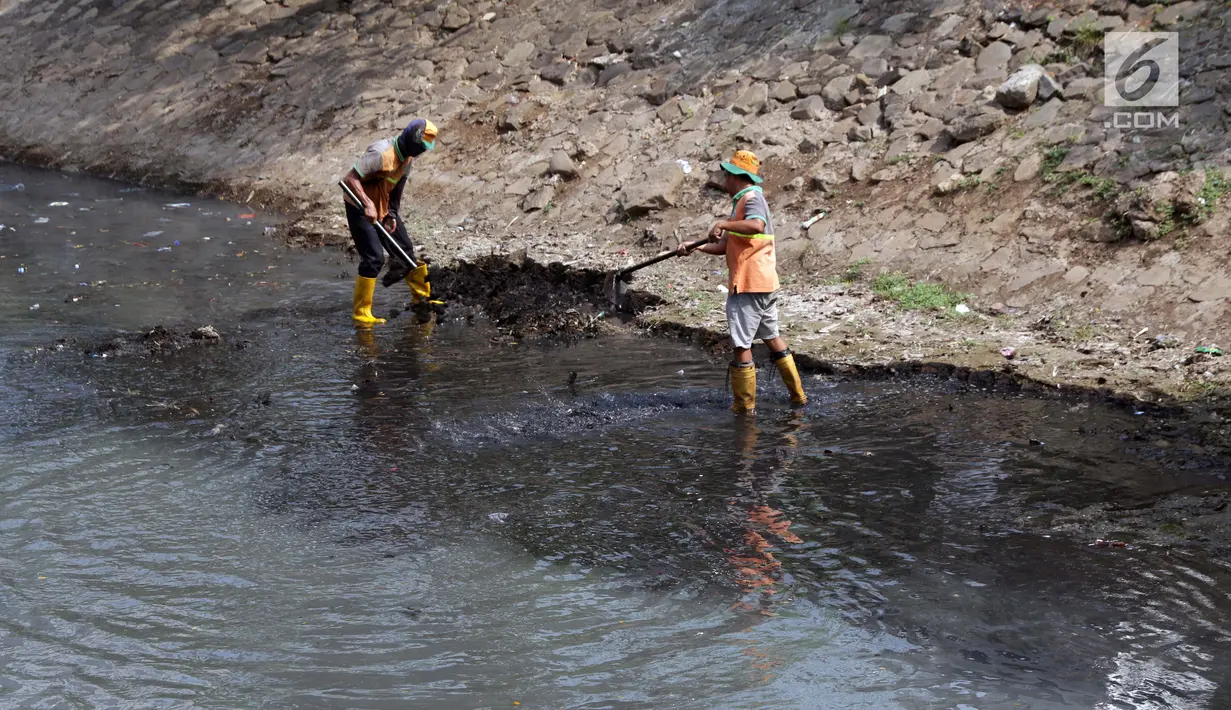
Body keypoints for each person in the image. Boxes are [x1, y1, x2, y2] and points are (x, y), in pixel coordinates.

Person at [677, 150, 807, 414]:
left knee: (741, 344)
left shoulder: (751, 199)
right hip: (764, 283)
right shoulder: (744, 201)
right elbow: (727, 245)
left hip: (748, 283)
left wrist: (723, 223)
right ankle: (798, 397)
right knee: (771, 337)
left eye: (726, 174)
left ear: (735, 176)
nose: (723, 178)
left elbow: (756, 225)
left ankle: (744, 408)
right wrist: (697, 247)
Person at [341, 118, 438, 326]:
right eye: (419, 147)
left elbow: (398, 187)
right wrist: (367, 204)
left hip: (383, 205)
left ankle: (422, 300)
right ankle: (361, 314)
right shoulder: (381, 154)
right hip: (359, 205)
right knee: (374, 258)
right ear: (411, 140)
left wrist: (391, 214)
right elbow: (350, 178)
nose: (420, 152)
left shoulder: (408, 159)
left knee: (405, 250)